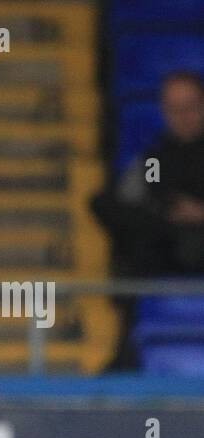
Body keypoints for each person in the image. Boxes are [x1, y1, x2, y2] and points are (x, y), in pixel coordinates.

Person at [91, 70, 204, 370]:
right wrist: (163, 215)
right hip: (166, 250)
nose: (183, 116)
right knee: (136, 245)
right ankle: (130, 354)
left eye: (190, 107)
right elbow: (110, 203)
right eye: (174, 109)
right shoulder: (155, 159)